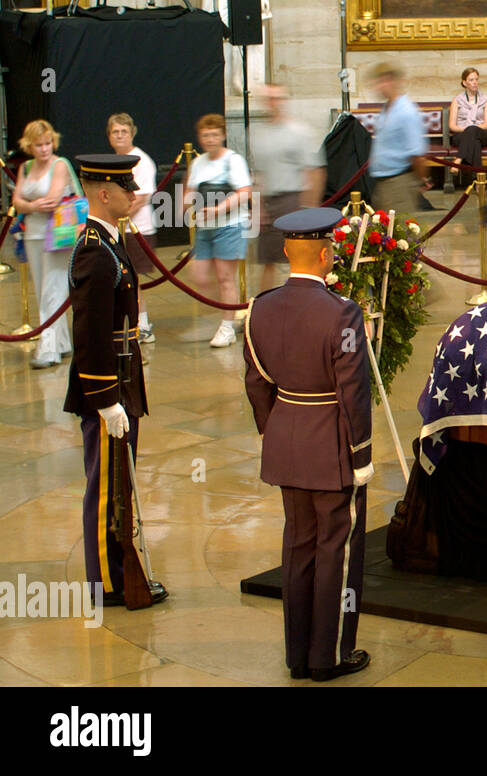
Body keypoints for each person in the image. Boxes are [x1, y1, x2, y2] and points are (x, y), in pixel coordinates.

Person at [243, 207, 373, 682]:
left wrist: (275, 430)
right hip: (333, 448)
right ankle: (329, 655)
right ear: (326, 254)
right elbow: (353, 393)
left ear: (285, 251)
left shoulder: (260, 306)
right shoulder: (341, 312)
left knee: (298, 548)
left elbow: (256, 383)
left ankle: (298, 655)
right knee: (335, 551)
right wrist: (361, 455)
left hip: (287, 442)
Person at [64, 154, 167, 608]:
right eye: (126, 188)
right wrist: (106, 401)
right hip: (107, 385)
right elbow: (88, 333)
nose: (133, 194)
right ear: (104, 193)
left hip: (122, 378)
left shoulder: (109, 241)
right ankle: (106, 582)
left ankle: (120, 573)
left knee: (118, 482)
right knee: (106, 487)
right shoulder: (94, 251)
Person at [183, 113, 253, 348]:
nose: (210, 139)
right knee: (199, 276)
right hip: (205, 227)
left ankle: (226, 326)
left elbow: (244, 191)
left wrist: (218, 209)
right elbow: (191, 191)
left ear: (223, 135)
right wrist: (188, 204)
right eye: (206, 135)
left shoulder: (233, 161)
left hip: (230, 224)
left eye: (214, 134)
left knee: (225, 277)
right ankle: (224, 312)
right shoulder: (198, 162)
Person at [12, 120, 75, 369]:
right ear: (30, 145)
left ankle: (49, 348)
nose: (44, 149)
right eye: (39, 145)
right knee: (42, 290)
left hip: (58, 235)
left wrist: (28, 205)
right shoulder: (26, 168)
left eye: (48, 143)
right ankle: (61, 341)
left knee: (54, 289)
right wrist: (30, 206)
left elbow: (53, 200)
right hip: (33, 234)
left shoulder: (60, 165)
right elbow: (16, 199)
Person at [251, 85, 326, 294]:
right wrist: (258, 208)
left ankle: (300, 304)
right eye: (268, 99)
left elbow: (314, 171)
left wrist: (309, 208)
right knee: (268, 260)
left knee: (297, 260)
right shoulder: (258, 133)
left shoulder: (299, 132)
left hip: (292, 199)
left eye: (277, 99)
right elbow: (258, 174)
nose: (273, 103)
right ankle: (263, 307)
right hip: (269, 200)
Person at [106, 114, 160, 344]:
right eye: (115, 132)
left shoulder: (141, 160)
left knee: (133, 281)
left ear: (132, 133)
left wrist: (117, 217)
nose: (119, 136)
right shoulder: (115, 160)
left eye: (123, 132)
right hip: (119, 229)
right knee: (124, 281)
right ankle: (132, 322)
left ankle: (143, 325)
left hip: (137, 229)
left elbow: (140, 197)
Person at [366, 61, 429, 216]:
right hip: (382, 184)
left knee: (400, 234)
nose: (377, 87)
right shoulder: (387, 109)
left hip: (399, 184)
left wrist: (421, 180)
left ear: (391, 81)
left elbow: (417, 153)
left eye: (381, 81)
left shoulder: (406, 111)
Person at [449, 67, 487, 189]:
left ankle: (459, 159)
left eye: (476, 79)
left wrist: (471, 129)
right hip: (461, 135)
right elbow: (452, 126)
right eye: (471, 80)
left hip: (481, 133)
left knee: (473, 131)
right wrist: (468, 130)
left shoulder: (485, 100)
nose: (475, 82)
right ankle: (478, 179)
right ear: (464, 82)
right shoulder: (457, 100)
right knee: (474, 142)